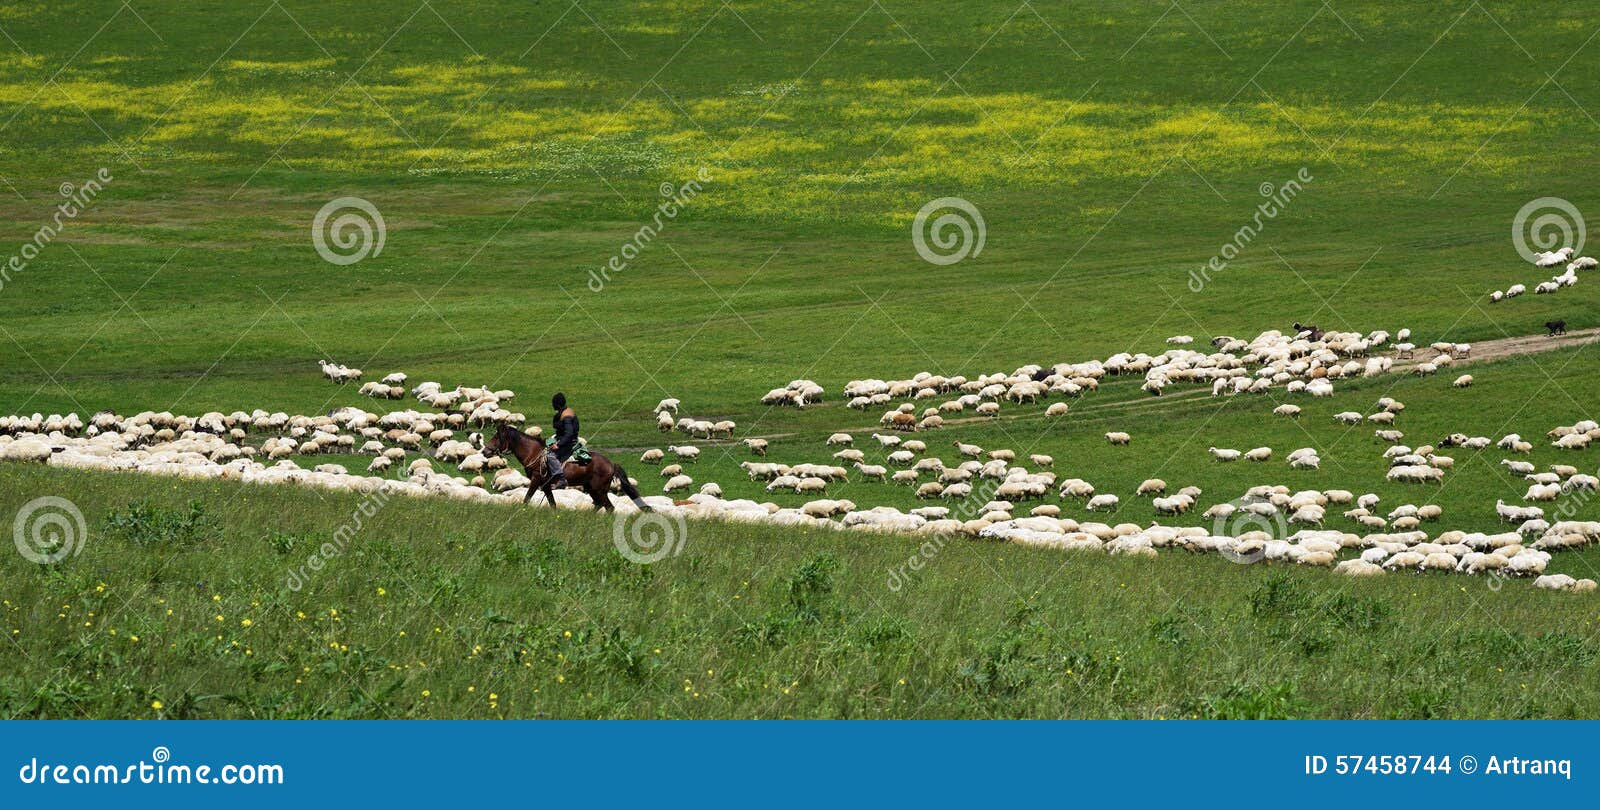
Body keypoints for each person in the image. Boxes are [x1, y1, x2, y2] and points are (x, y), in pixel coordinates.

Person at [545, 392, 579, 486]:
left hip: (568, 442)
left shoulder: (566, 416)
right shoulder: (563, 412)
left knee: (550, 456)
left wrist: (558, 445)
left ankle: (561, 478)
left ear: (557, 404)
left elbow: (569, 433)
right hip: (560, 438)